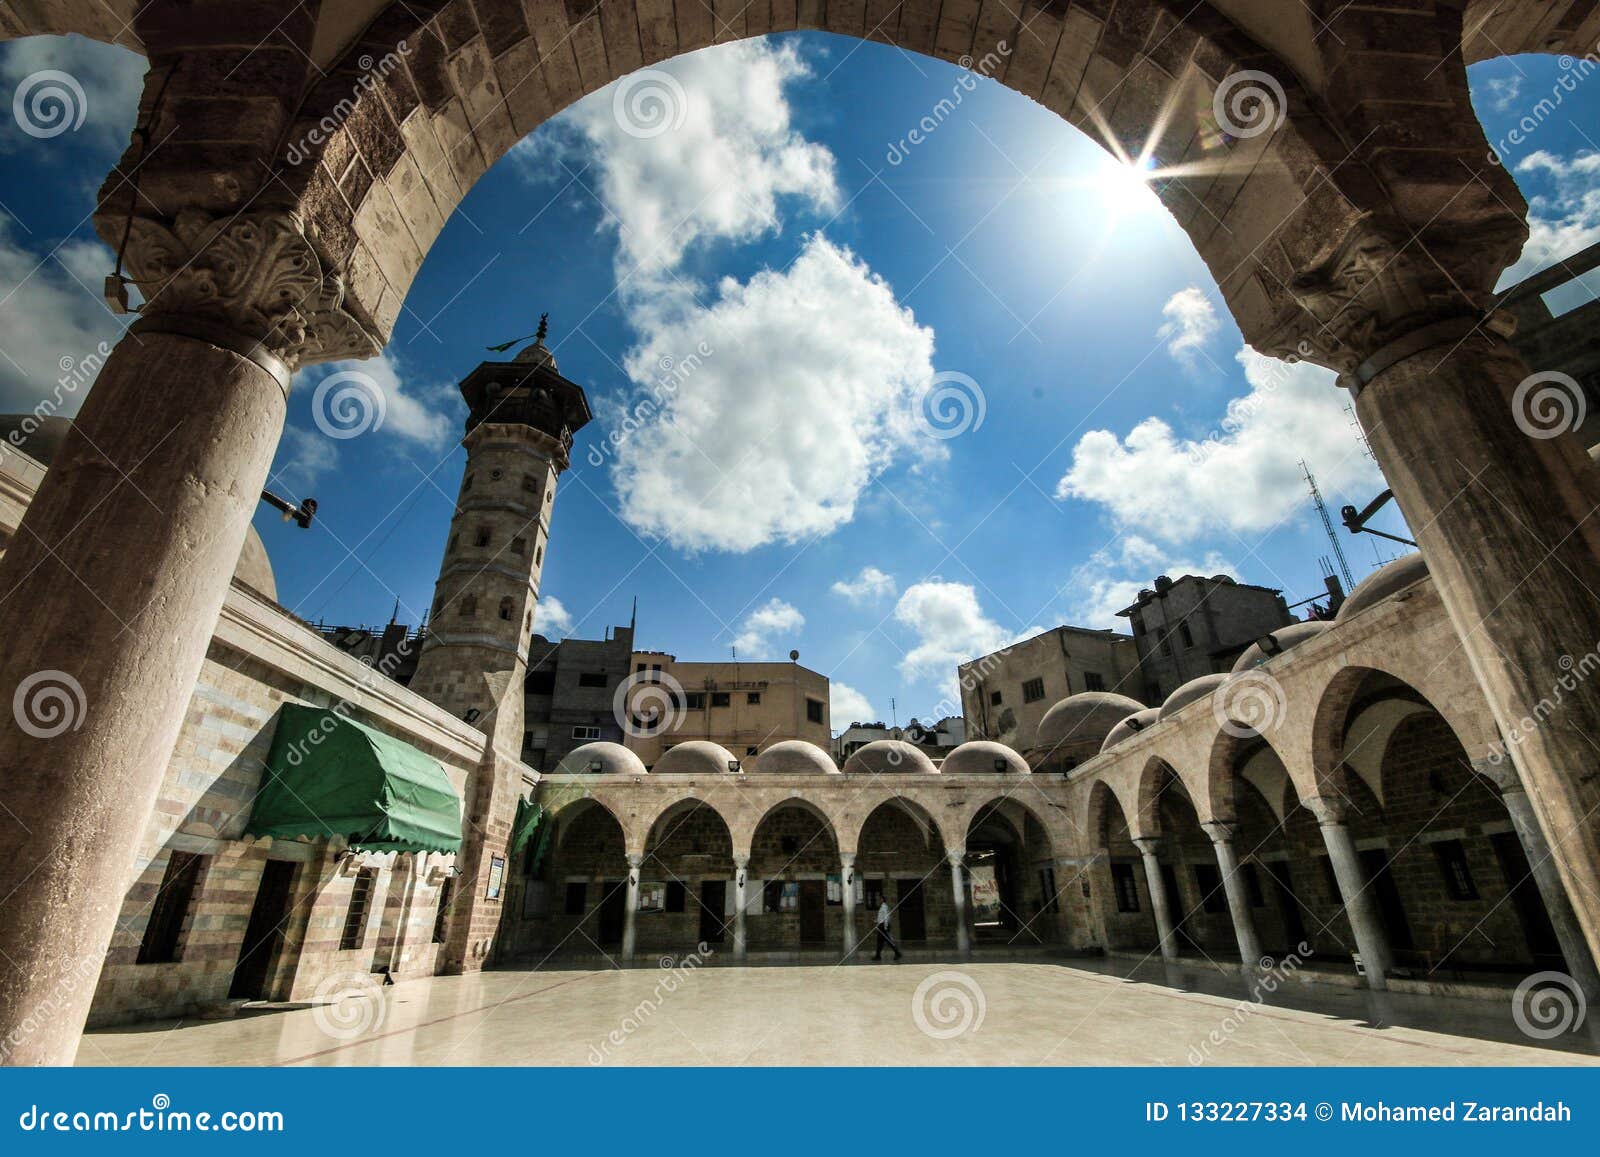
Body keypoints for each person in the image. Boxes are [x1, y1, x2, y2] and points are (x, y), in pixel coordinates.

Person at [873, 896, 902, 962]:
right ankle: (878, 955)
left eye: (880, 899)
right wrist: (876, 921)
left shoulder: (884, 907)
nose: (879, 900)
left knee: (888, 941)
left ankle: (897, 953)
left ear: (882, 899)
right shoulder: (882, 907)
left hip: (883, 926)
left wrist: (885, 927)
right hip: (881, 925)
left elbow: (886, 917)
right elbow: (881, 917)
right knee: (880, 942)